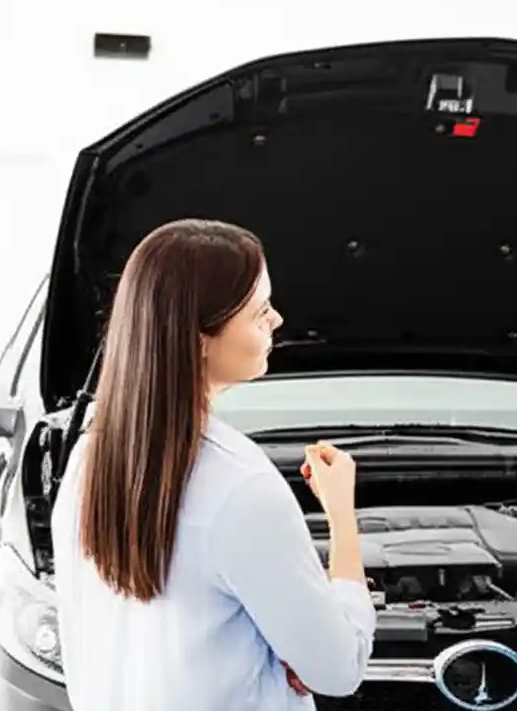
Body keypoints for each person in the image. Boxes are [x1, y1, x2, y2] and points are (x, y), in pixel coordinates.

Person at [50, 219, 376, 710]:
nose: (278, 320)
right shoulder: (241, 488)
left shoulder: (88, 462)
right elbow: (338, 668)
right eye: (260, 310)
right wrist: (342, 520)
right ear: (200, 337)